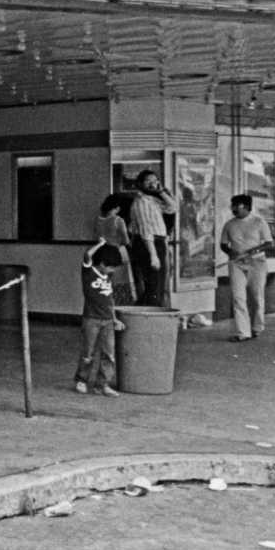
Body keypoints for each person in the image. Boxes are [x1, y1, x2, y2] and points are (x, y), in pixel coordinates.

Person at [219, 193, 273, 342]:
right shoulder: (229, 224)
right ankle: (243, 332)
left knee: (256, 297)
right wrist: (231, 252)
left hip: (257, 263)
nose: (234, 209)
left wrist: (252, 251)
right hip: (236, 264)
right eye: (233, 206)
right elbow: (223, 244)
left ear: (247, 207)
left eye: (238, 206)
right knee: (238, 298)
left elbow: (269, 243)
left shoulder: (259, 222)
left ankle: (257, 327)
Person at [74, 242, 125, 397]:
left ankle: (102, 384)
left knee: (109, 353)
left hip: (107, 320)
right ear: (102, 264)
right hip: (91, 319)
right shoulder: (88, 272)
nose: (112, 271)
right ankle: (81, 380)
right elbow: (88, 255)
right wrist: (101, 244)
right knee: (88, 352)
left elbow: (110, 300)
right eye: (111, 267)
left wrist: (114, 319)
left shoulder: (108, 276)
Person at [128, 170, 172, 306]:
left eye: (155, 180)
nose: (152, 183)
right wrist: (153, 255)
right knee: (153, 284)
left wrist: (161, 191)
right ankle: (149, 317)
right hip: (148, 243)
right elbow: (145, 229)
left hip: (158, 241)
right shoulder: (141, 202)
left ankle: (151, 315)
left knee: (158, 284)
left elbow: (172, 208)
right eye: (148, 180)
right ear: (140, 183)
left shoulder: (152, 199)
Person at [94, 194, 133, 304]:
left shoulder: (98, 220)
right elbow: (126, 241)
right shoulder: (118, 220)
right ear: (118, 208)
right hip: (114, 252)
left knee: (103, 283)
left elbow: (97, 236)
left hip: (100, 252)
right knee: (118, 284)